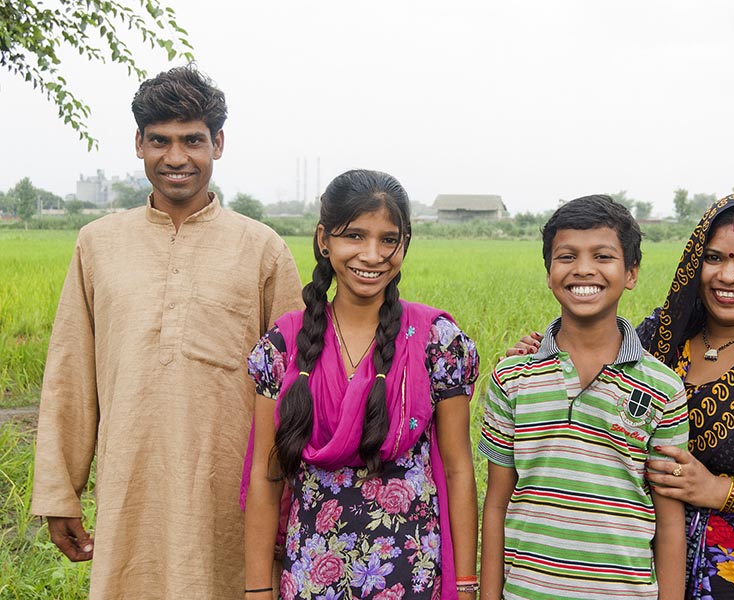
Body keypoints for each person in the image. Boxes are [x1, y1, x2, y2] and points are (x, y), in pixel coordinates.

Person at [31, 65, 303, 599]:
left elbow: (297, 386)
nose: (176, 158)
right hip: (131, 491)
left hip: (232, 498)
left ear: (218, 144)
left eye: (192, 141)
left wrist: (291, 500)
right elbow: (70, 374)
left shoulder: (262, 249)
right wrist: (60, 493)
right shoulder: (97, 244)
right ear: (138, 143)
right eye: (160, 140)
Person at [514, 193, 734, 599]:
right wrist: (540, 354)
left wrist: (717, 489)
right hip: (651, 562)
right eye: (714, 258)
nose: (728, 276)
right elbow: (598, 357)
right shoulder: (667, 335)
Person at [242, 169, 480, 600]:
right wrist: (257, 588)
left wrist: (465, 586)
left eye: (389, 239)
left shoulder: (435, 340)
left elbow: (460, 468)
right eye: (354, 236)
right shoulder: (285, 345)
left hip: (412, 574)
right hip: (311, 572)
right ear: (323, 240)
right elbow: (266, 474)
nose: (372, 255)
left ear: (404, 245)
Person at [479, 195, 689, 600]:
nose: (584, 269)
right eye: (567, 256)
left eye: (603, 256)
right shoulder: (512, 379)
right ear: (549, 272)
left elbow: (669, 522)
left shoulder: (663, 388)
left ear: (631, 273)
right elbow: (496, 503)